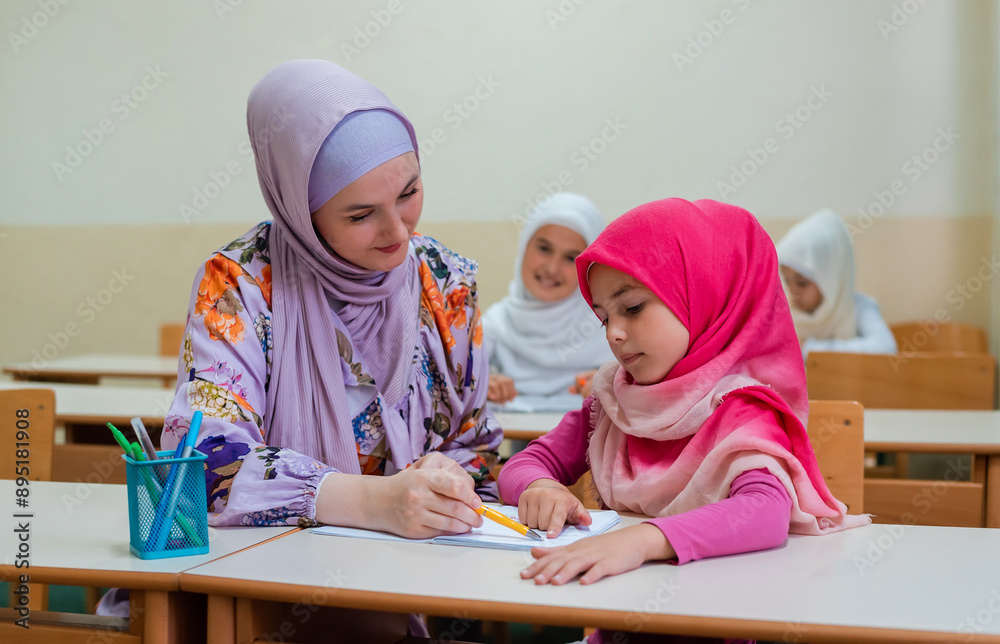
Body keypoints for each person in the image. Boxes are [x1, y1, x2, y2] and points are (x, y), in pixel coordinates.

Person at [99, 60, 503, 636]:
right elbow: (209, 464)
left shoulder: (445, 283)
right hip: (256, 584)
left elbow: (477, 447)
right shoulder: (242, 284)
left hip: (410, 579)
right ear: (297, 209)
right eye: (360, 214)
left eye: (409, 193)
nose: (398, 232)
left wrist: (449, 478)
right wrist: (375, 502)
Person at [498, 198, 869, 644]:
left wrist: (640, 542)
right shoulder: (615, 401)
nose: (614, 333)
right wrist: (537, 486)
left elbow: (765, 511)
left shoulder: (739, 409)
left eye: (632, 308)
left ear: (703, 296)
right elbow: (527, 462)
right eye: (603, 318)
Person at [483, 193, 614, 411]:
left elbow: (641, 386)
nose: (552, 269)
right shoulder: (497, 324)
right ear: (525, 246)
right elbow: (455, 382)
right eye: (544, 249)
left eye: (571, 258)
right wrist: (480, 384)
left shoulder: (608, 328)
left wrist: (612, 383)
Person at [776, 209, 897, 357]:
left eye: (802, 283)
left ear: (830, 277)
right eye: (787, 281)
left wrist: (810, 348)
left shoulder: (858, 308)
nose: (792, 291)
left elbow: (886, 347)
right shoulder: (787, 313)